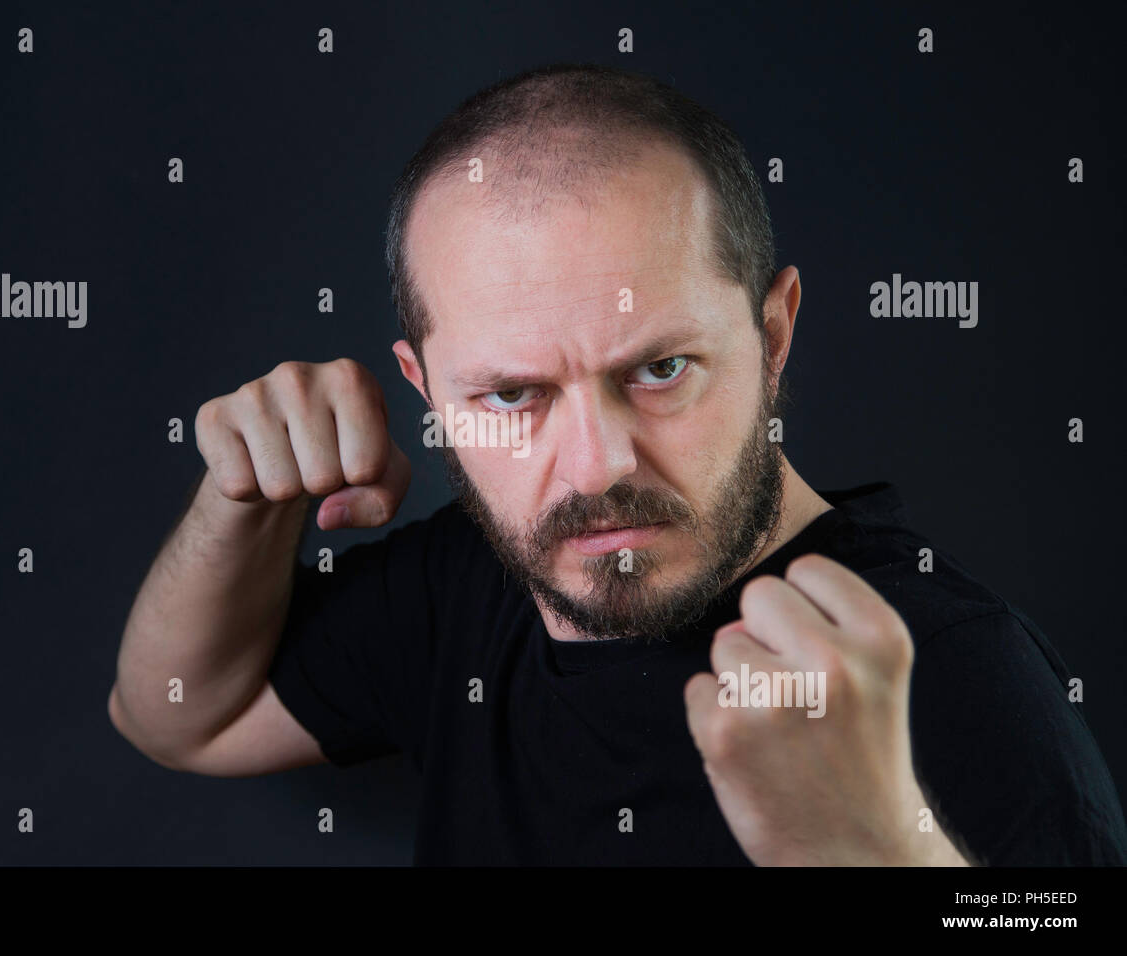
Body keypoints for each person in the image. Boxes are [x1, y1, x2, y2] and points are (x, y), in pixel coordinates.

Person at [107, 62, 1127, 865]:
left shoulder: (943, 672)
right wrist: (246, 496)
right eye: (511, 395)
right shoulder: (475, 580)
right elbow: (179, 717)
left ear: (772, 336)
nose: (593, 469)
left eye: (659, 369)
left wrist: (877, 857)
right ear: (429, 395)